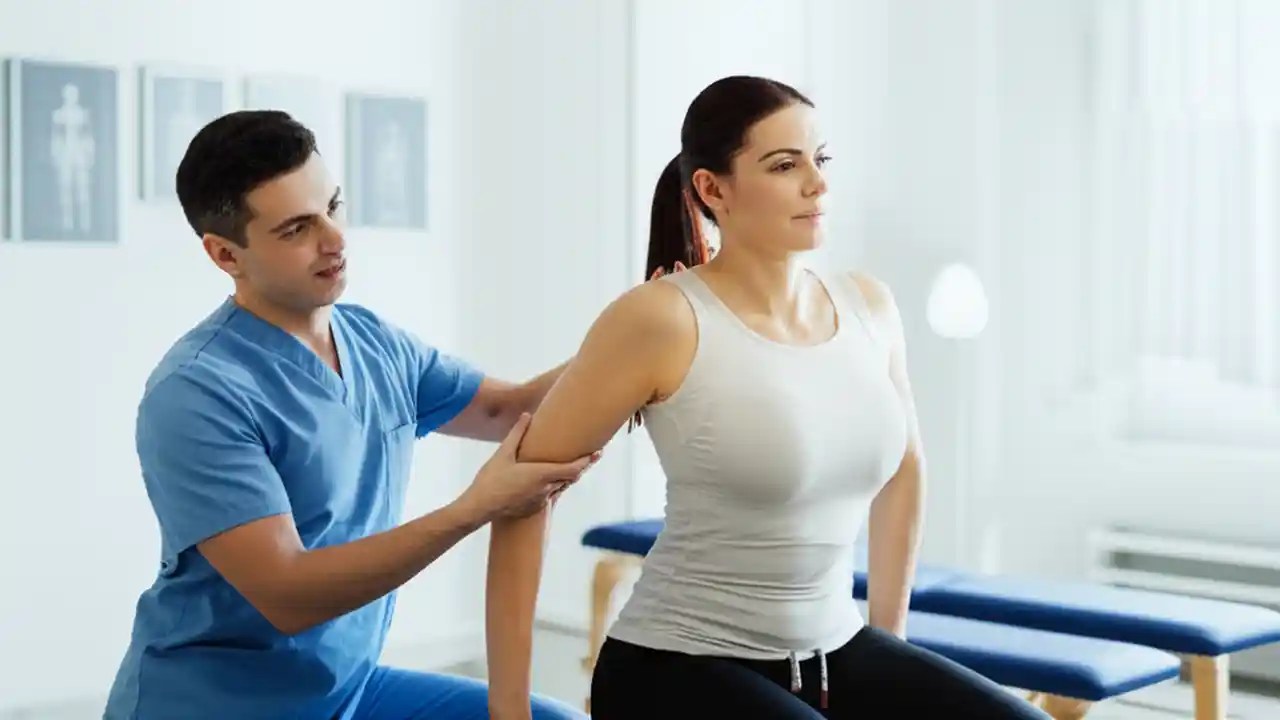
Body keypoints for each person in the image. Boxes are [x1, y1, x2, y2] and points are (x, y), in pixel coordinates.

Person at [482, 76, 1052, 719]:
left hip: (836, 650)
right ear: (712, 189)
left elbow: (905, 470)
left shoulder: (869, 306)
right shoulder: (662, 319)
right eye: (785, 165)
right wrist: (510, 712)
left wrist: (887, 649)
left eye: (820, 159)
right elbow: (524, 496)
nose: (818, 184)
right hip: (674, 666)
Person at [103, 110, 594, 720]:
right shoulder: (196, 393)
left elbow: (508, 409)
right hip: (217, 704)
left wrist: (640, 331)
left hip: (345, 692)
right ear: (226, 254)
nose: (334, 239)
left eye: (334, 206)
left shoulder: (373, 342)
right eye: (297, 229)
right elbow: (289, 594)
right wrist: (474, 509)